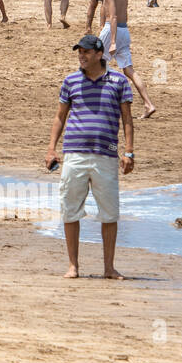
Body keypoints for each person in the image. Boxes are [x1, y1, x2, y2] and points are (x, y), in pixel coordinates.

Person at [45, 34, 135, 280]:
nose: (81, 56)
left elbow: (127, 119)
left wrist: (129, 151)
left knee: (109, 212)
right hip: (74, 154)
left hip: (106, 155)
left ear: (99, 54)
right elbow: (60, 117)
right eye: (79, 52)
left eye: (86, 52)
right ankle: (73, 266)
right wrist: (51, 148)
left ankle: (109, 268)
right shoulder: (70, 81)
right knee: (70, 209)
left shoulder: (118, 81)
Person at [96, 0, 157, 117]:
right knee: (129, 70)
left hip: (113, 30)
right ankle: (148, 104)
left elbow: (113, 17)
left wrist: (113, 41)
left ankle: (103, 101)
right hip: (124, 30)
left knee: (95, 63)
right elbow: (111, 11)